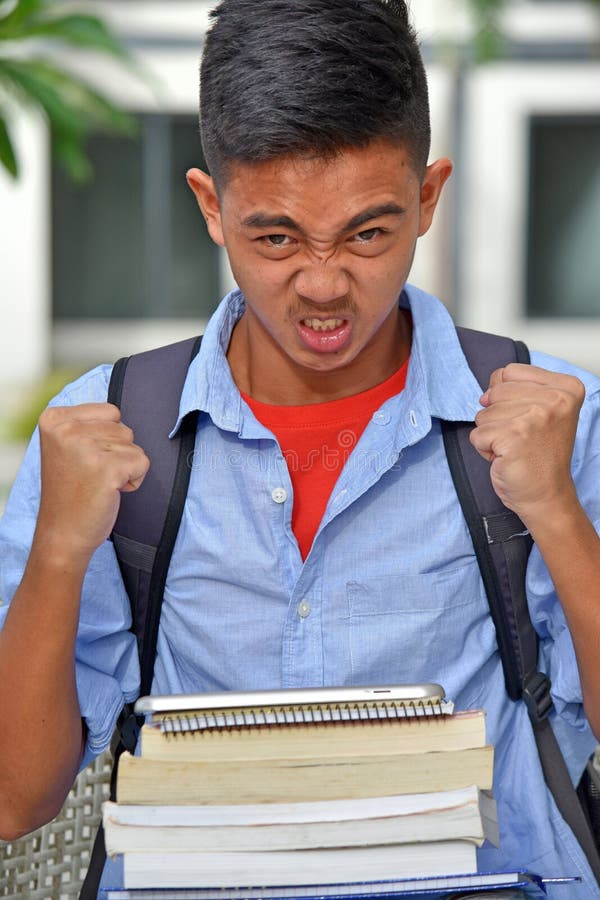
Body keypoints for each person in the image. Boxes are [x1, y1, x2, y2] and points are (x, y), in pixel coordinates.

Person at [1, 0, 600, 896]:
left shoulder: (554, 417)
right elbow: (16, 800)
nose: (324, 285)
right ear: (210, 205)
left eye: (368, 233)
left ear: (429, 197)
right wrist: (58, 549)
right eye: (276, 237)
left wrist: (553, 510)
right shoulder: (105, 428)